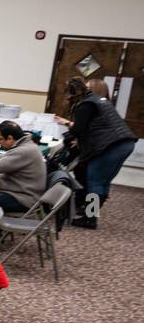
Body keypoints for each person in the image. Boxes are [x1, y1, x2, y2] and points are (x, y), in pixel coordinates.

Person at [57, 78, 138, 228]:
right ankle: (91, 214)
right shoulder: (98, 100)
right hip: (125, 143)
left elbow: (77, 130)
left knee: (94, 182)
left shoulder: (86, 104)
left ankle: (90, 219)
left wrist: (69, 131)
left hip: (110, 146)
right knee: (103, 182)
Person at [0, 120, 46, 215]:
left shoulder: (24, 151)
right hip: (19, 192)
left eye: (0, 139)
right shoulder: (25, 145)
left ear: (9, 138)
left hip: (23, 198)